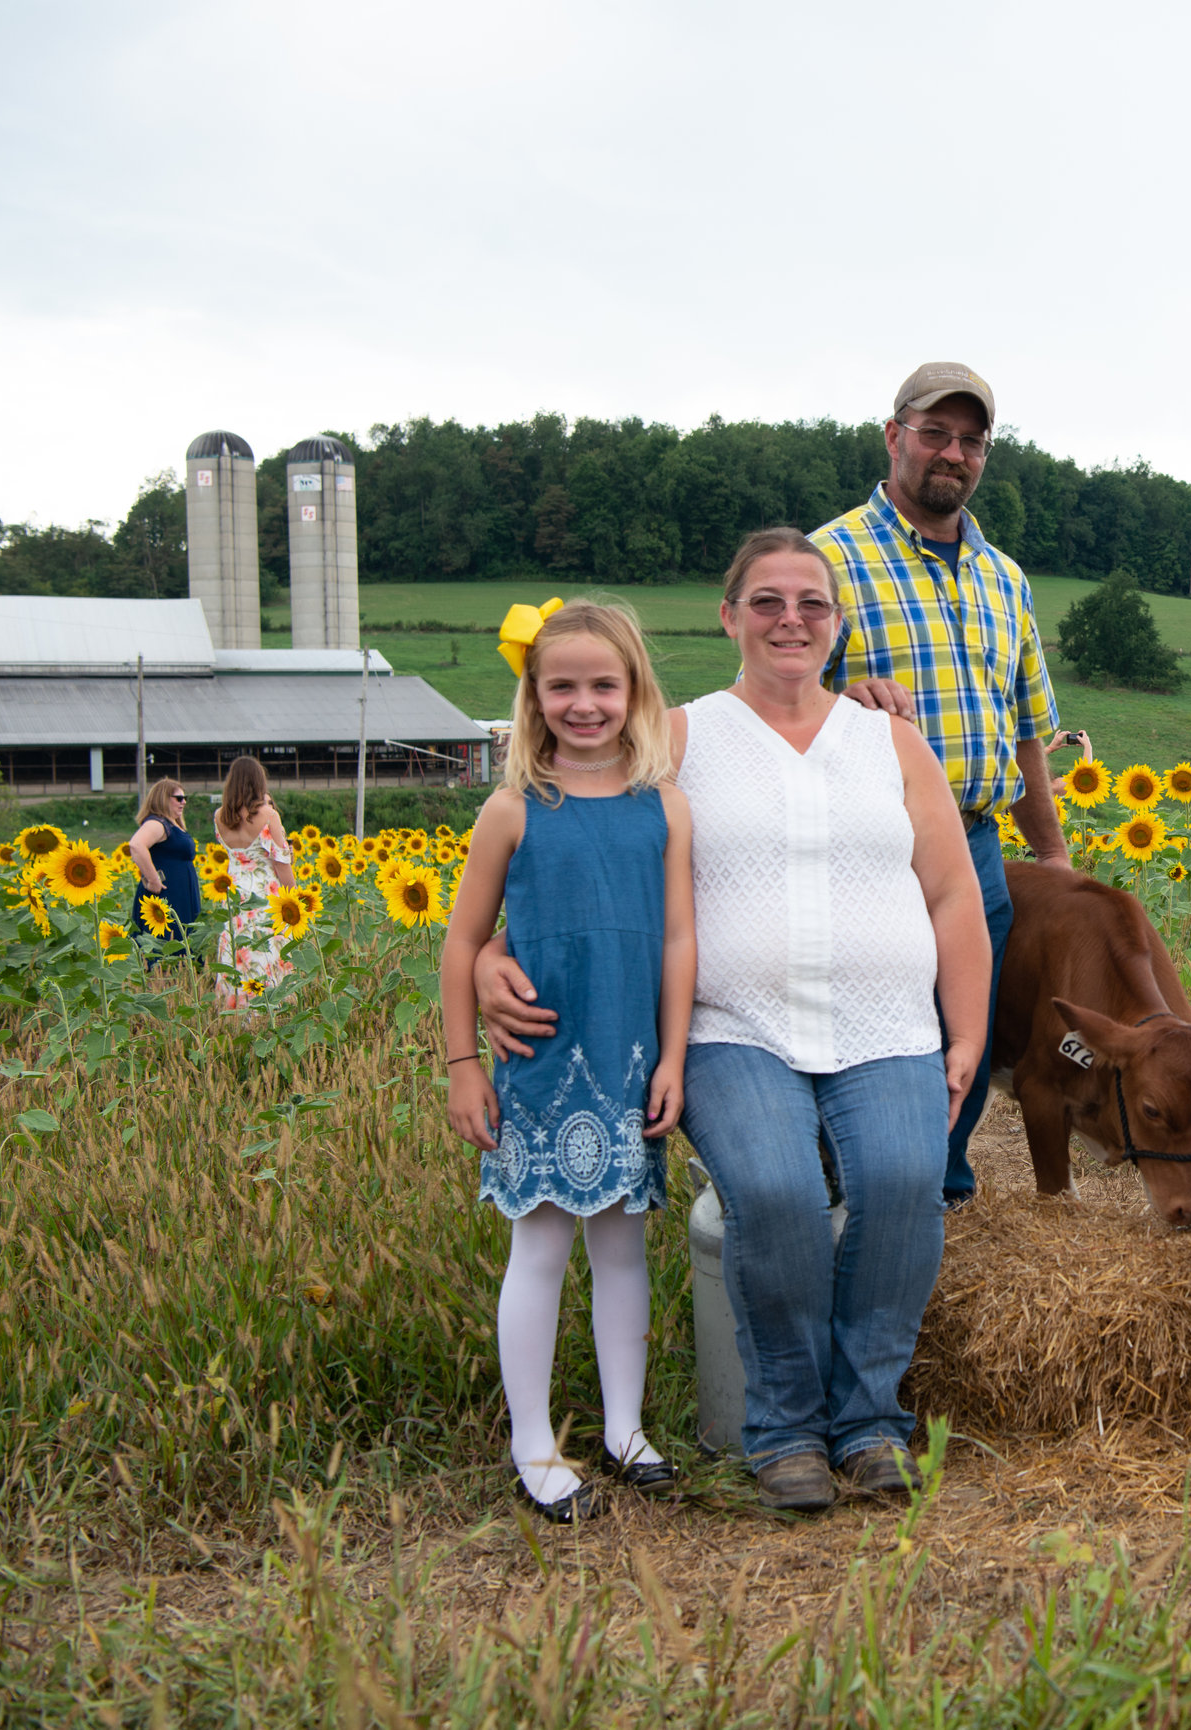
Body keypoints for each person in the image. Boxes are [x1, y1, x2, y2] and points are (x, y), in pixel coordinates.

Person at [473, 363, 1063, 1212]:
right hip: (829, 844)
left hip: (967, 851)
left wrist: (1051, 852)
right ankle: (811, 1217)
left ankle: (927, 1228)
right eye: (935, 432)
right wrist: (502, 944)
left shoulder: (1005, 578)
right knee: (821, 1101)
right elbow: (767, 705)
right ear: (894, 436)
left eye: (971, 440)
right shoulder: (826, 558)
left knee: (945, 1074)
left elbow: (1028, 728)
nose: (953, 453)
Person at [672, 528, 990, 1511]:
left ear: (838, 624)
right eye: (765, 600)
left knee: (905, 1182)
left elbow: (950, 895)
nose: (790, 619)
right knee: (773, 1193)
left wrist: (968, 1032)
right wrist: (503, 950)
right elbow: (587, 846)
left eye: (811, 602)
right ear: (729, 617)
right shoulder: (681, 737)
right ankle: (785, 1425)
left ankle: (868, 1420)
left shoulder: (889, 742)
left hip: (887, 1019)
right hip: (734, 1023)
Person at [440, 600, 694, 1523]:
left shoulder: (664, 805)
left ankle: (625, 1432)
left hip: (629, 1057)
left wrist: (672, 1058)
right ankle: (534, 1445)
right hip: (542, 1063)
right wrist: (465, 1061)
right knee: (540, 1247)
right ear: (533, 695)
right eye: (562, 687)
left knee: (624, 1248)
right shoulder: (512, 809)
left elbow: (676, 940)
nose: (583, 704)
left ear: (634, 693)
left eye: (603, 685)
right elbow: (463, 940)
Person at [211, 757, 297, 1007]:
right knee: (265, 954)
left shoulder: (219, 817)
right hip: (264, 897)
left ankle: (236, 1013)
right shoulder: (269, 815)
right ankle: (268, 1010)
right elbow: (283, 865)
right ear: (259, 782)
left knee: (237, 955)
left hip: (235, 897)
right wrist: (295, 901)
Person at [122, 777, 199, 958]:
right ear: (163, 799)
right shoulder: (157, 823)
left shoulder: (171, 824)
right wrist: (153, 879)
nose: (184, 802)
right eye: (178, 798)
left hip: (180, 894)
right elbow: (136, 845)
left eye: (184, 797)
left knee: (180, 942)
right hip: (166, 895)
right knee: (164, 946)